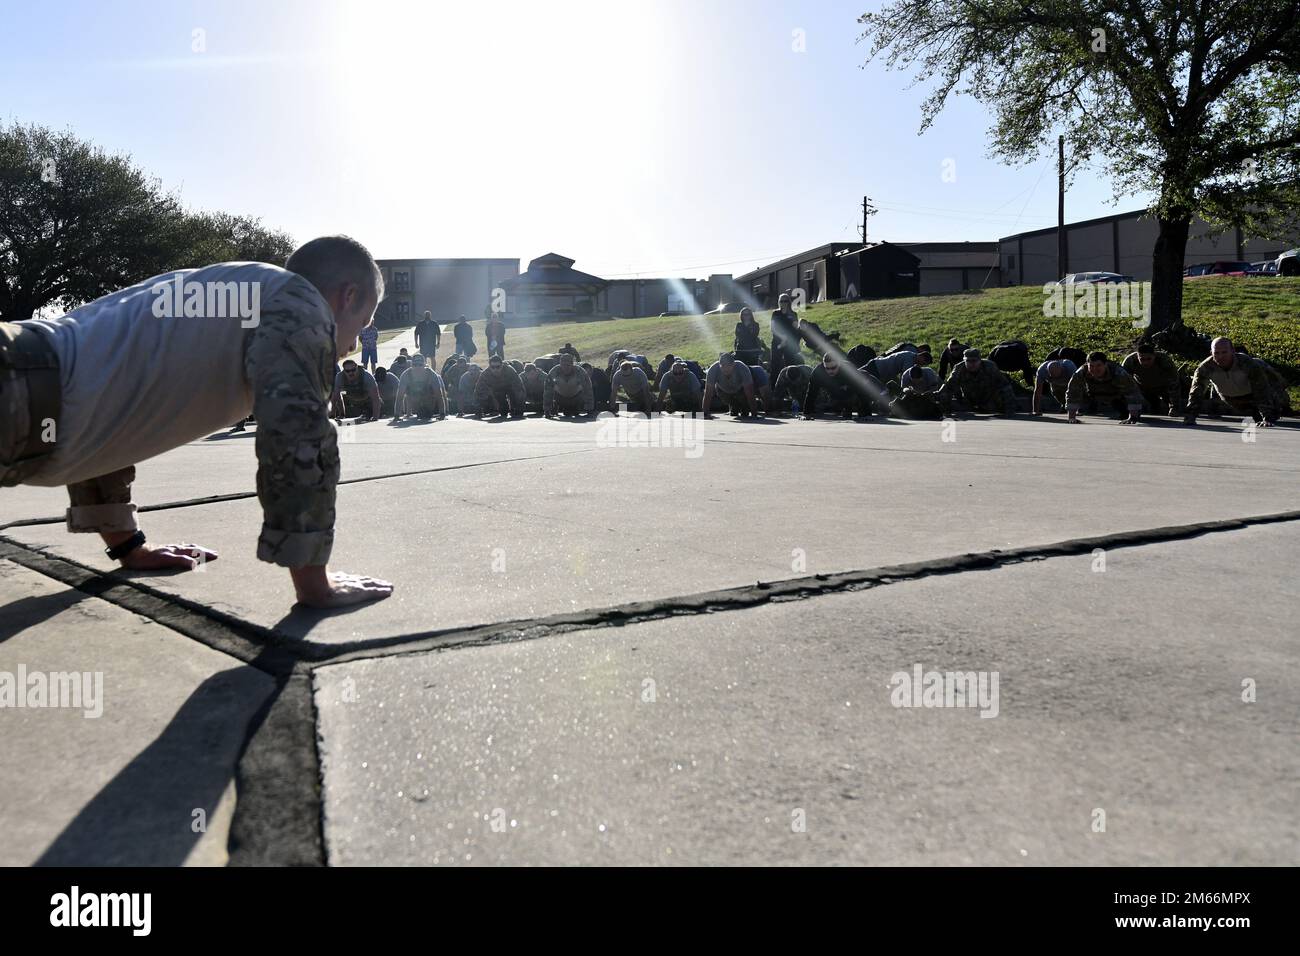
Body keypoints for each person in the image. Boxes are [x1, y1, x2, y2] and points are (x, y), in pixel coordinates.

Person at [0, 235, 393, 608]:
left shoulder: (238, 290)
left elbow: (107, 410)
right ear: (348, 296)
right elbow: (296, 436)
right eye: (362, 324)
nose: (355, 345)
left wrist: (128, 546)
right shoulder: (299, 303)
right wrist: (316, 584)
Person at [1184, 336, 1278, 426]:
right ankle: (1256, 412)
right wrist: (1190, 416)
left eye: (1224, 352)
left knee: (1277, 406)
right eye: (1216, 353)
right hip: (1231, 399)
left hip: (1253, 394)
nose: (1220, 357)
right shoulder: (1205, 368)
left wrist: (1267, 418)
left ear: (1233, 351)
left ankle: (1275, 410)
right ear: (1211, 353)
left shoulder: (1247, 363)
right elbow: (1196, 393)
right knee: (1253, 413)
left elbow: (1261, 389)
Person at [1064, 352, 1144, 424]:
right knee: (1083, 405)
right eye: (1091, 366)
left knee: (1132, 414)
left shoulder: (1118, 373)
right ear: (1086, 365)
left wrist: (1132, 417)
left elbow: (1132, 392)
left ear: (1105, 364)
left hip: (1117, 397)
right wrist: (1072, 417)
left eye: (1098, 365)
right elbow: (1072, 392)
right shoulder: (1081, 373)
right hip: (1093, 396)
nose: (1095, 369)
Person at [936, 348, 1017, 416]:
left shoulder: (990, 366)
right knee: (946, 393)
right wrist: (945, 409)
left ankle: (1004, 409)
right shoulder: (959, 368)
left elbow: (1004, 385)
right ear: (964, 361)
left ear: (980, 360)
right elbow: (948, 387)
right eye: (968, 361)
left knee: (1005, 390)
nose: (972, 364)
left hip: (989, 399)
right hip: (968, 401)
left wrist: (1009, 409)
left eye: (974, 361)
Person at [803, 352, 874, 420]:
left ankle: (856, 407)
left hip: (851, 393)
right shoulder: (818, 372)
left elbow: (861, 391)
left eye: (833, 368)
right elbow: (811, 392)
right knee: (832, 406)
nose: (830, 371)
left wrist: (867, 414)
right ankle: (844, 408)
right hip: (834, 394)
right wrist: (806, 413)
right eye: (827, 368)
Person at [1121, 343, 1183, 415]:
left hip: (1163, 387)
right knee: (1152, 408)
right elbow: (1125, 384)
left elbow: (1174, 382)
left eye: (1149, 359)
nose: (1146, 362)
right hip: (1143, 388)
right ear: (1137, 357)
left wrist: (1174, 407)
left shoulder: (1164, 360)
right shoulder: (1130, 361)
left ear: (1154, 356)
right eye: (1142, 359)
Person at [702, 352, 758, 418]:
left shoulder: (742, 368)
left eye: (729, 366)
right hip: (724, 391)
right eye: (723, 366)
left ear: (733, 364)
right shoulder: (713, 369)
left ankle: (745, 407)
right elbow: (708, 393)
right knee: (733, 410)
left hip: (741, 390)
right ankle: (734, 406)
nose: (726, 369)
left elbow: (750, 393)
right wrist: (705, 414)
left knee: (745, 411)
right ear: (719, 365)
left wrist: (754, 414)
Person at [394, 353, 447, 420]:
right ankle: (410, 412)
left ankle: (429, 410)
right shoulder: (405, 375)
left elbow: (439, 395)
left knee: (427, 413)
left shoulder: (432, 374)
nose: (417, 367)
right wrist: (396, 415)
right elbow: (399, 396)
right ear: (411, 365)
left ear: (424, 365)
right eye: (415, 365)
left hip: (430, 401)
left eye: (420, 365)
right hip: (414, 401)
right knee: (408, 393)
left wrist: (442, 413)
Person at [543, 352, 595, 417]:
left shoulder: (580, 371)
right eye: (563, 365)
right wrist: (547, 410)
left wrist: (589, 409)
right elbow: (548, 391)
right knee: (565, 411)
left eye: (568, 365)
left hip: (576, 398)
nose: (565, 368)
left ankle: (576, 408)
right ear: (560, 364)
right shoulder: (554, 372)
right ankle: (555, 408)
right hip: (560, 399)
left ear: (572, 364)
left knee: (575, 412)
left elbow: (588, 389)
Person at [474, 354, 526, 418]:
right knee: (503, 411)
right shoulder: (485, 374)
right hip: (498, 390)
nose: (495, 369)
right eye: (492, 367)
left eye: (498, 367)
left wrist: (520, 405)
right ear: (490, 366)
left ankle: (515, 408)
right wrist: (478, 410)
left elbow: (520, 387)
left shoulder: (510, 370)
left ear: (502, 365)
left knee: (518, 412)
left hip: (510, 388)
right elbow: (478, 391)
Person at [769, 292, 801, 382]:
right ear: (779, 302)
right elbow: (773, 328)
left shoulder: (793, 314)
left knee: (790, 364)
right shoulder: (775, 313)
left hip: (789, 343)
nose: (783, 303)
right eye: (781, 301)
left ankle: (790, 386)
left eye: (785, 301)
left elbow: (795, 329)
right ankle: (774, 386)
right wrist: (782, 337)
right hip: (777, 342)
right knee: (774, 365)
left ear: (789, 302)